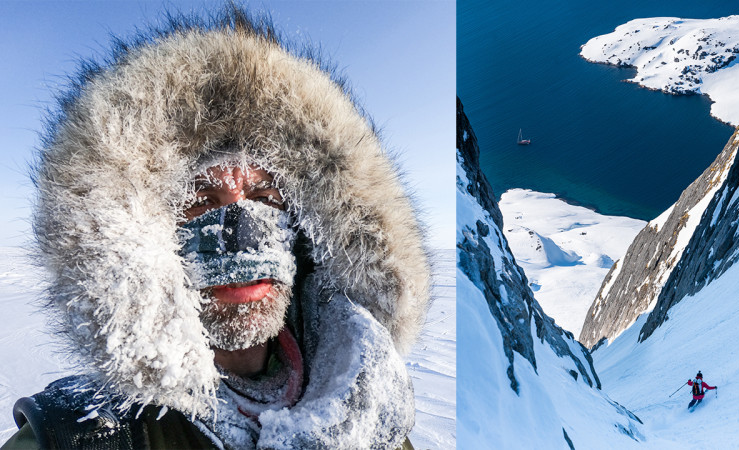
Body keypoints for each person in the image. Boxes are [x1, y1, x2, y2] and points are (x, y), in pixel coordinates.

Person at [1, 6, 430, 450]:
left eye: (264, 200)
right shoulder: (82, 435)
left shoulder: (369, 413)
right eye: (203, 202)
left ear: (304, 231)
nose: (241, 235)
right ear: (149, 236)